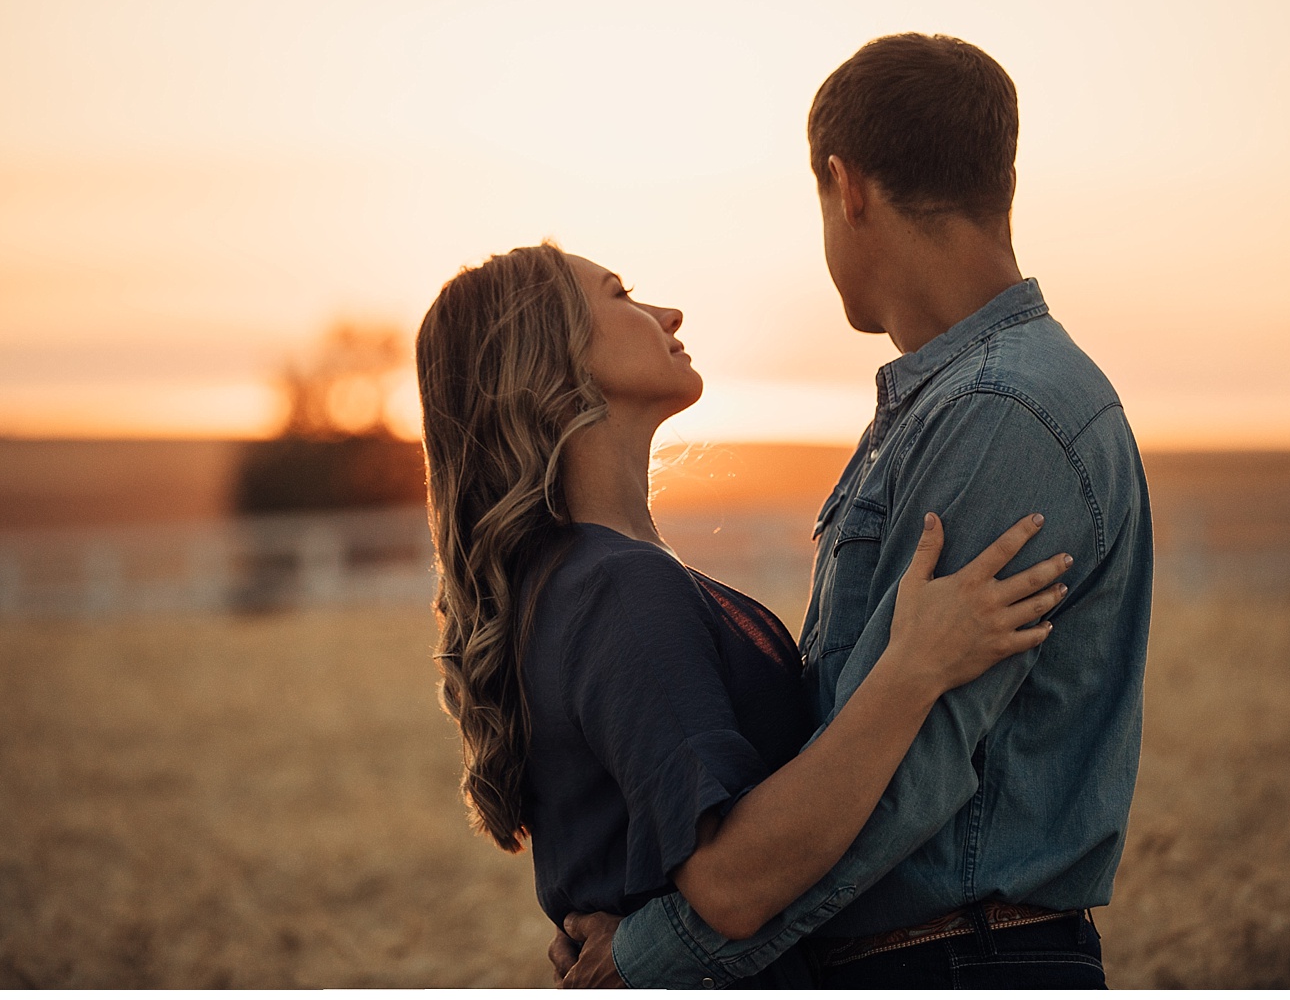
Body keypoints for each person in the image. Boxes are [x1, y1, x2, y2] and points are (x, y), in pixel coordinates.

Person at [551, 33, 1154, 988]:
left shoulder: (1001, 413)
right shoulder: (953, 402)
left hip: (956, 963)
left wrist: (651, 956)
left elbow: (903, 774)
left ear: (849, 185)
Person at [416, 241, 1075, 988]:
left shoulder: (575, 581)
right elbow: (731, 885)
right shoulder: (619, 589)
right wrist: (916, 665)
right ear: (549, 358)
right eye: (621, 294)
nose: (668, 312)